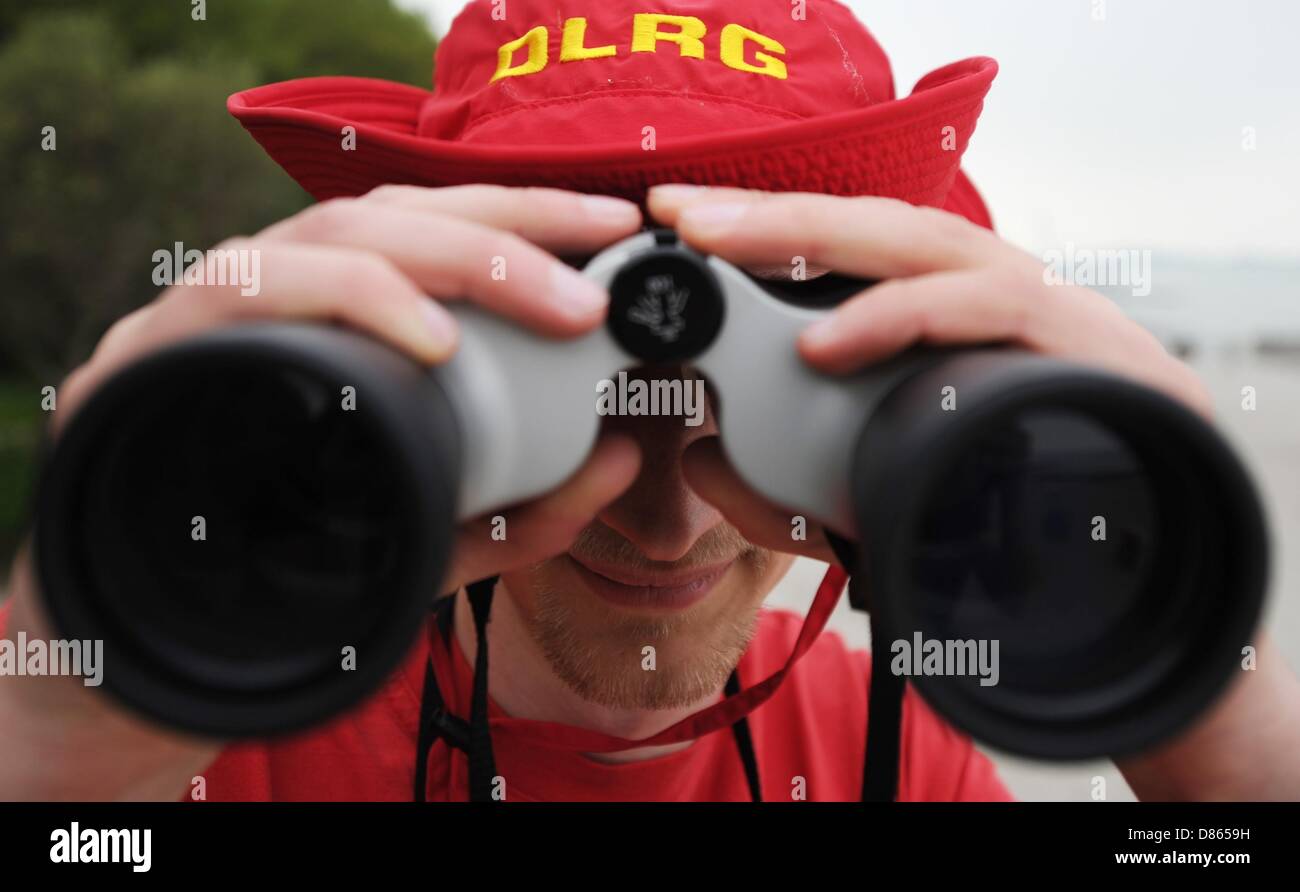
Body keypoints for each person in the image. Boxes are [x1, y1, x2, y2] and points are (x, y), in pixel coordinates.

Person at [3, 0, 1299, 802]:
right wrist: (50, 735)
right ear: (421, 335)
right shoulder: (201, 707)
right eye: (572, 374)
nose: (669, 520)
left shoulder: (888, 751)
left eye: (755, 391)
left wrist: (1217, 728)